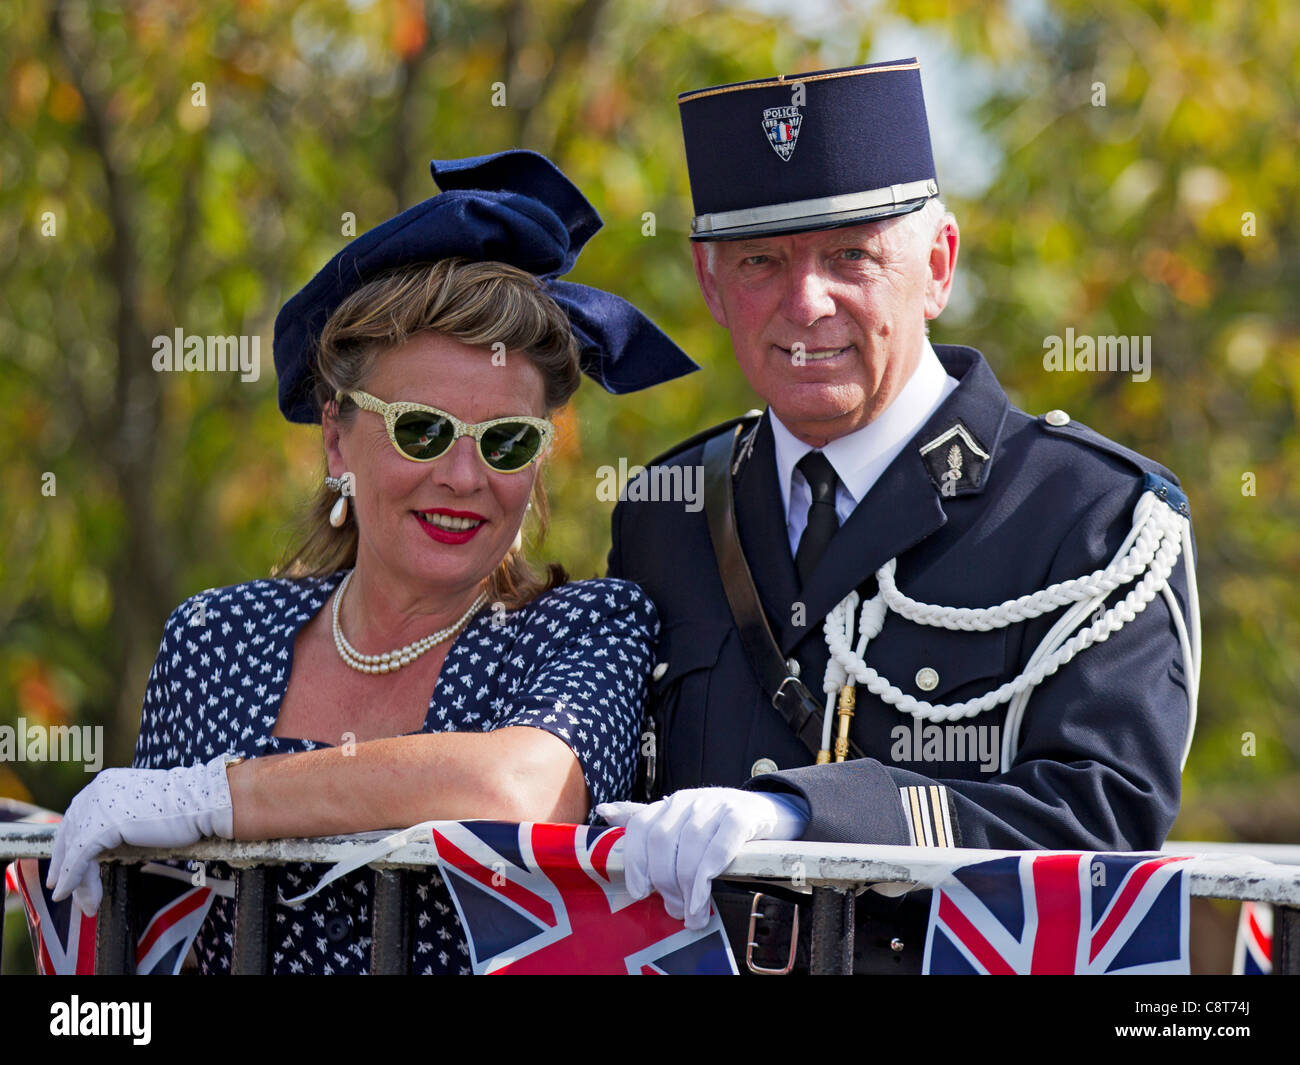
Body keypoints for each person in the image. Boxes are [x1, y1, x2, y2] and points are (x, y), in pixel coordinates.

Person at [598, 58, 1200, 974]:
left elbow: (1100, 825)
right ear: (712, 284)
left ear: (939, 265)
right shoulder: (666, 511)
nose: (807, 304)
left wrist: (808, 816)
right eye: (761, 261)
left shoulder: (1093, 516)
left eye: (852, 255)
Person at [45, 150, 697, 974]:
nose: (463, 477)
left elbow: (517, 793)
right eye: (420, 430)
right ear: (335, 438)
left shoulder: (582, 628)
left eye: (505, 441)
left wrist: (212, 798)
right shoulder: (215, 638)